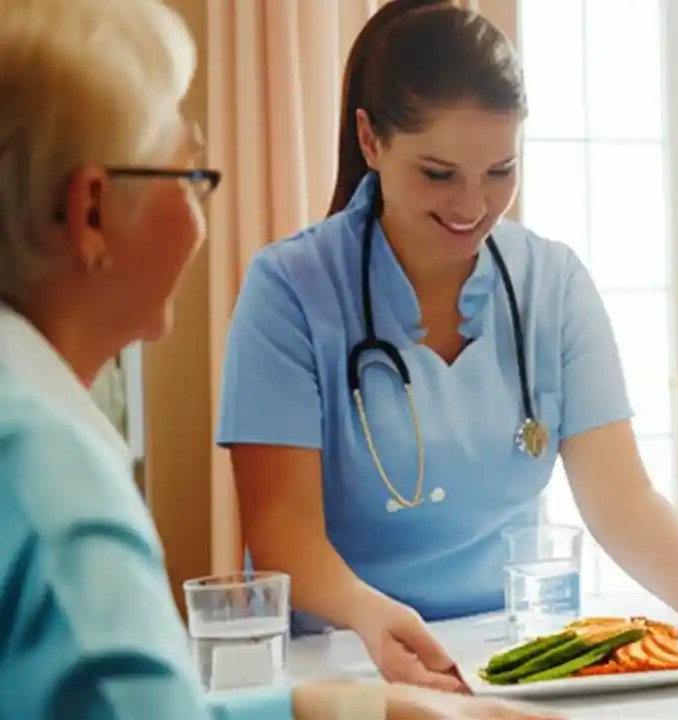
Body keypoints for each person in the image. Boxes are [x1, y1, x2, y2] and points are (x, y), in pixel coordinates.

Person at [0, 0, 555, 717]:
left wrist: (356, 709)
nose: (200, 219)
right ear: (94, 212)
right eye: (189, 170)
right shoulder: (46, 470)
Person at [216, 0, 678, 691]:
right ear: (370, 140)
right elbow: (281, 527)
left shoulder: (553, 283)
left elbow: (620, 497)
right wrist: (369, 614)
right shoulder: (291, 289)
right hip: (348, 658)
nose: (472, 206)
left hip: (511, 660)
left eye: (500, 171)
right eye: (439, 174)